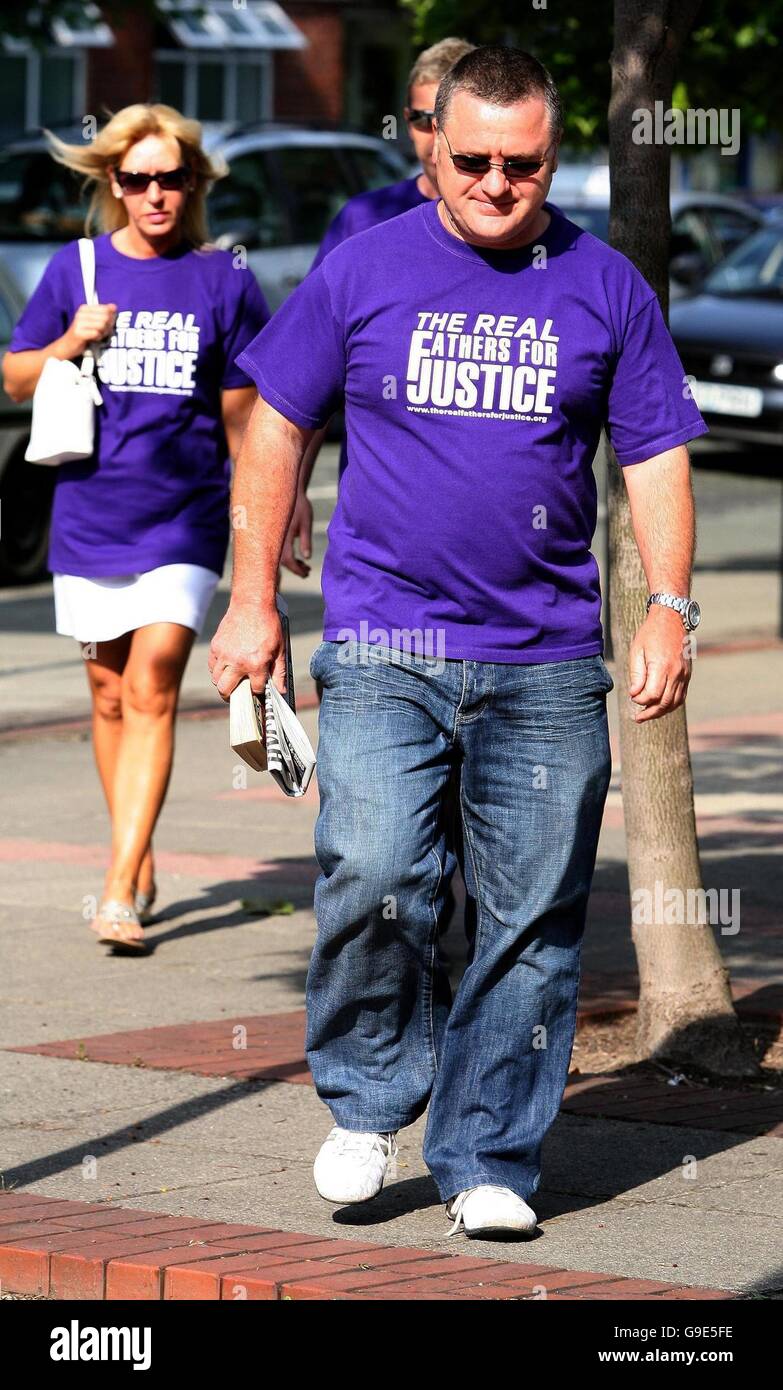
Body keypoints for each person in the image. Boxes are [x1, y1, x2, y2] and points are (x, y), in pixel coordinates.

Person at [208, 46, 707, 1239]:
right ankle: (372, 1098)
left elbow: (655, 453)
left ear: (552, 153)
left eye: (522, 164)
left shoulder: (605, 285)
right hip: (386, 639)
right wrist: (250, 601)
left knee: (531, 918)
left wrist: (670, 607)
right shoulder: (363, 268)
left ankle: (488, 1151)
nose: (495, 183)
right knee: (376, 872)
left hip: (542, 661)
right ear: (431, 144)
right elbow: (277, 425)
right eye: (471, 158)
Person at [4, 104, 268, 952]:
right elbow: (12, 379)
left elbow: (244, 421)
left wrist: (271, 513)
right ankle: (137, 849)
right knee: (109, 693)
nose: (155, 193)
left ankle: (118, 889)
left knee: (154, 678)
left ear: (193, 183)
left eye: (171, 177)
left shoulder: (223, 279)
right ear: (112, 183)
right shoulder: (74, 269)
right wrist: (65, 344)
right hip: (88, 514)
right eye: (137, 179)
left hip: (185, 516)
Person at [283, 36, 475, 580]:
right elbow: (308, 373)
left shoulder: (526, 231)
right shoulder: (365, 222)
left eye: (446, 119)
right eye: (419, 119)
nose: (433, 137)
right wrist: (291, 487)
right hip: (379, 550)